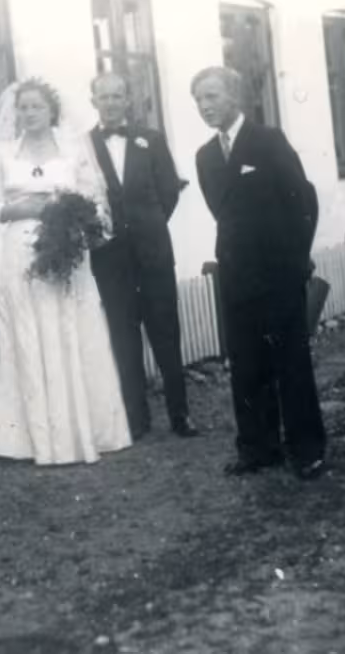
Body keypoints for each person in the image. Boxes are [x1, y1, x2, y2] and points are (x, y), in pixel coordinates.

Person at [0, 79, 132, 465]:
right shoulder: (3, 151)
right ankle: (33, 441)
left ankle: (83, 432)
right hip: (20, 251)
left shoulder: (73, 147)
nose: (29, 114)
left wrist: (68, 215)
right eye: (22, 108)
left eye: (36, 107)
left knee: (72, 328)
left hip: (66, 249)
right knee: (29, 331)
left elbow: (94, 198)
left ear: (51, 111)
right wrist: (18, 210)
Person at [192, 66, 326, 479]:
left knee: (290, 362)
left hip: (278, 271)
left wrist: (296, 259)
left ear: (235, 96)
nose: (205, 105)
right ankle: (257, 447)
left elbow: (304, 201)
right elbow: (224, 213)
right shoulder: (206, 156)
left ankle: (307, 450)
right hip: (235, 273)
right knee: (246, 363)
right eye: (199, 99)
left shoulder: (268, 141)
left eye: (212, 96)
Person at [86, 72, 197, 439]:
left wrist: (148, 224)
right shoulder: (84, 146)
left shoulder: (150, 139)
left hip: (153, 251)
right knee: (123, 333)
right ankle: (137, 420)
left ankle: (180, 416)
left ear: (128, 101)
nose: (112, 103)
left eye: (118, 96)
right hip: (110, 257)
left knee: (166, 330)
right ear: (94, 102)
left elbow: (170, 190)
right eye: (105, 97)